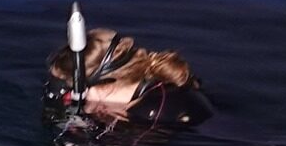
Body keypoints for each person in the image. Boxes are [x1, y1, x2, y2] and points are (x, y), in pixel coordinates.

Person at [44, 27, 213, 129]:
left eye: (72, 87)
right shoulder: (155, 87)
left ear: (103, 85)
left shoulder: (153, 112)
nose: (69, 94)